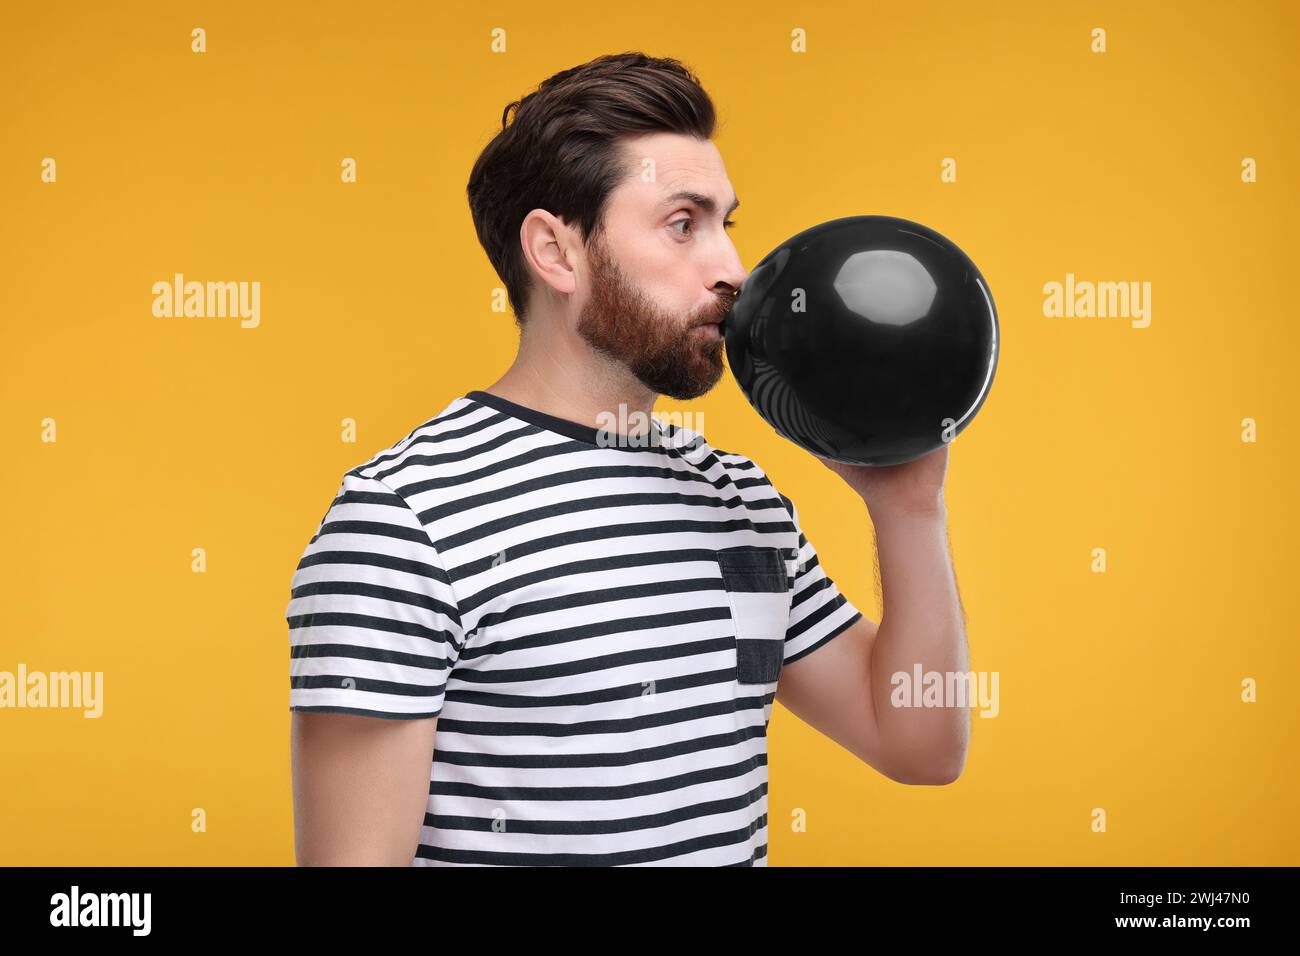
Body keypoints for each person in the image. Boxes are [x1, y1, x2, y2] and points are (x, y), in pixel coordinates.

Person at [286, 51, 969, 866]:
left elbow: (920, 746)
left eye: (726, 225)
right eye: (683, 224)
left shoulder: (739, 499)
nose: (733, 271)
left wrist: (908, 507)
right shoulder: (405, 522)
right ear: (556, 252)